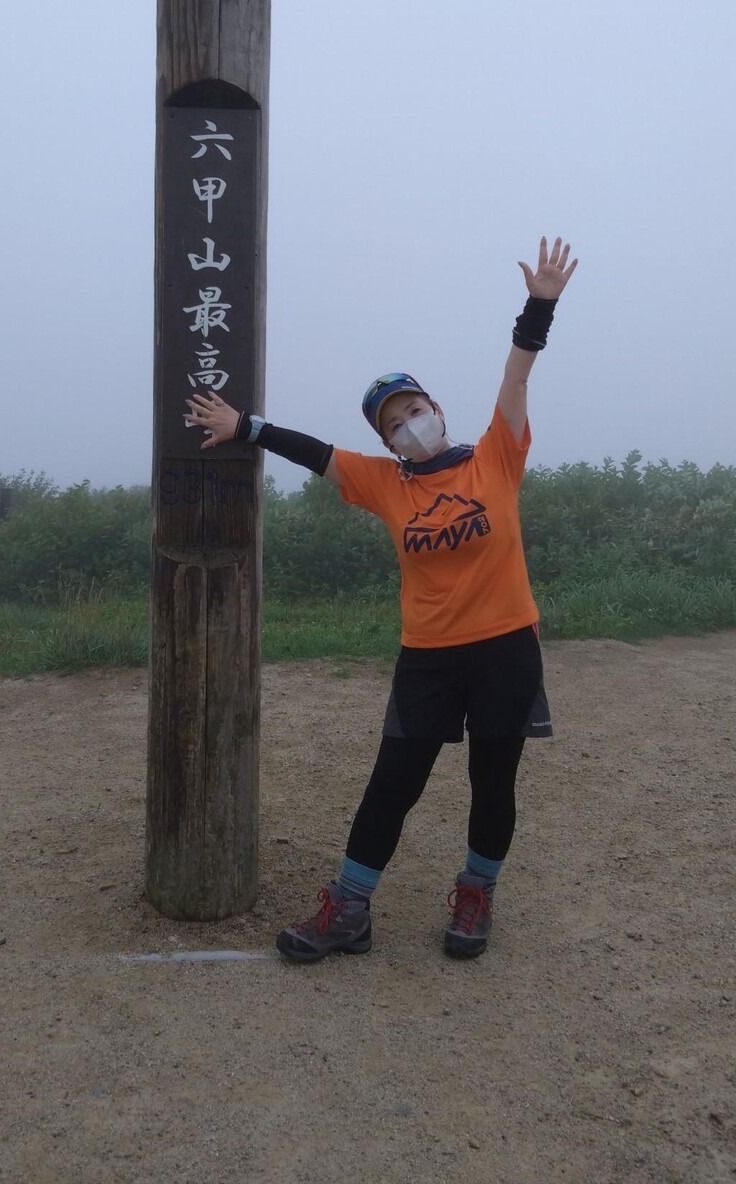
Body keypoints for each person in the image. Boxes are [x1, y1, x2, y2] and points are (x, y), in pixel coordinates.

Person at [184, 235, 578, 962]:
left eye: (414, 409)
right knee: (393, 783)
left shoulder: (498, 453)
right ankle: (349, 911)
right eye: (393, 423)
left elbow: (517, 376)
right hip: (427, 657)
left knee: (494, 781)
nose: (408, 424)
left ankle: (475, 894)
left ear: (438, 408)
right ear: (389, 443)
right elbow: (318, 454)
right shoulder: (386, 482)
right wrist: (245, 427)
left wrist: (538, 307)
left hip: (506, 648)